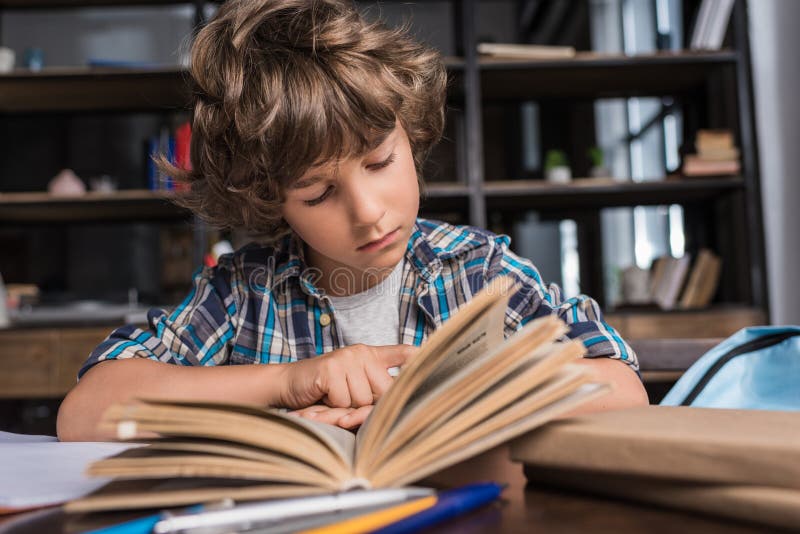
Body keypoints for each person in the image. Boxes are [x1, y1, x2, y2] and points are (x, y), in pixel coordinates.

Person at [57, 0, 647, 442]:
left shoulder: (477, 271)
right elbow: (86, 412)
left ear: (410, 138)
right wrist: (288, 383)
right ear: (271, 200)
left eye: (380, 162)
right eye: (316, 193)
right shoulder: (244, 292)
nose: (368, 212)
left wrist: (448, 405)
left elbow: (621, 391)